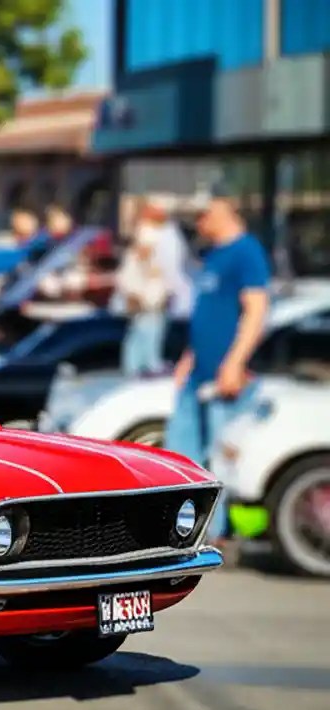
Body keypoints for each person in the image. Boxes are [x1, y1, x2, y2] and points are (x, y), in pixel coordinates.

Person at [165, 198, 270, 542]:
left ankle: (216, 534)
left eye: (203, 214)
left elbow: (255, 311)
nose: (199, 222)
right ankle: (184, 531)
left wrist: (236, 363)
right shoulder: (212, 255)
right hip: (198, 375)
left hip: (227, 377)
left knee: (220, 460)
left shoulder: (246, 252)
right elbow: (207, 314)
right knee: (182, 456)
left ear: (226, 211)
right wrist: (189, 358)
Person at [116, 219, 168, 376]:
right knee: (141, 335)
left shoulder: (152, 260)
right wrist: (138, 297)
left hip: (154, 307)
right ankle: (136, 367)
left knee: (154, 334)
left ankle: (150, 363)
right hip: (142, 307)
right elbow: (126, 282)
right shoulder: (132, 259)